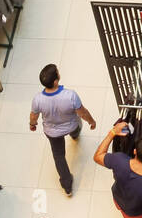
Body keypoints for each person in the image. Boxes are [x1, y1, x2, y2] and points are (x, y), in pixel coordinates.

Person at [30, 62, 96, 197]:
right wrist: (91, 121)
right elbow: (82, 112)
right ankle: (75, 135)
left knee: (59, 157)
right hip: (71, 125)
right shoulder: (70, 95)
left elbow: (33, 115)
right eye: (58, 72)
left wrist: (33, 124)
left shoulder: (37, 99)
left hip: (52, 133)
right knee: (77, 128)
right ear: (55, 81)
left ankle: (67, 186)